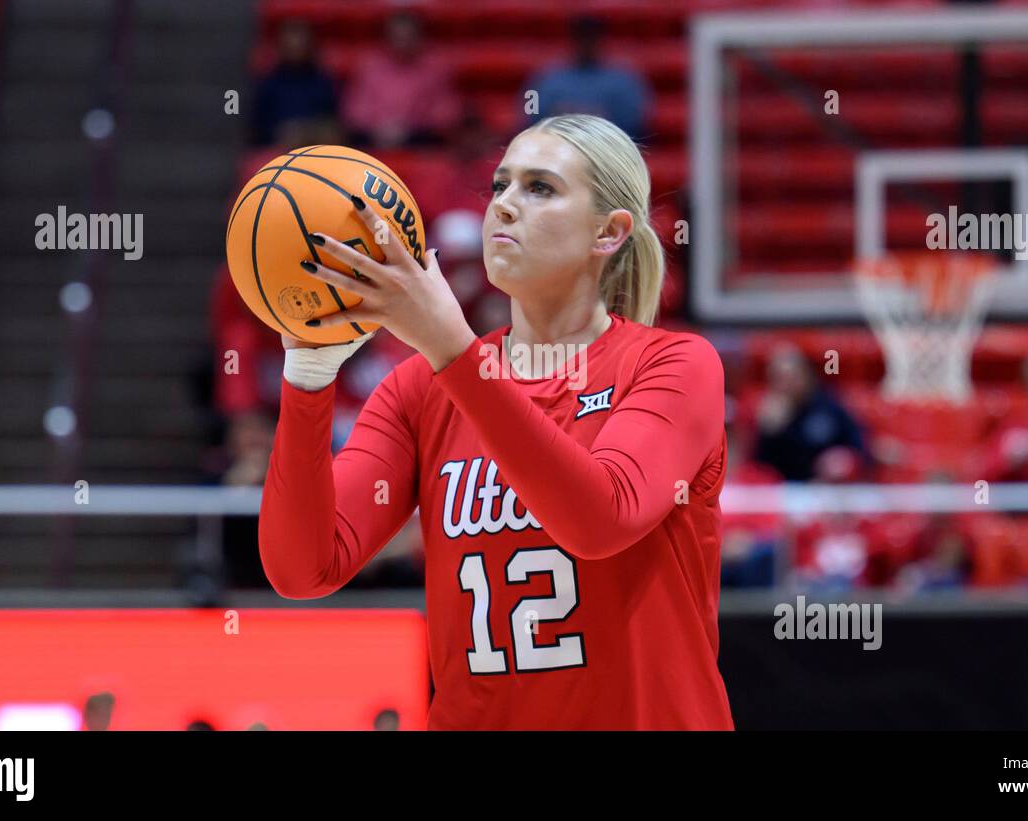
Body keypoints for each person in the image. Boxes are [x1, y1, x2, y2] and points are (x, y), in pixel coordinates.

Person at [259, 114, 733, 730]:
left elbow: (599, 518)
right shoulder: (418, 389)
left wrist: (456, 352)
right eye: (501, 184)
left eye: (539, 188)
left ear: (608, 232)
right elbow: (303, 569)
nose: (504, 205)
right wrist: (307, 382)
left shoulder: (674, 365)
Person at [340, 11, 462, 149]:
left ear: (419, 36)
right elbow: (355, 111)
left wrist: (408, 130)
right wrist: (380, 130)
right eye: (397, 36)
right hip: (374, 140)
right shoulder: (369, 67)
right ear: (387, 37)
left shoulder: (437, 67)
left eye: (408, 36)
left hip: (421, 142)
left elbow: (446, 113)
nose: (403, 41)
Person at [751, 342, 869, 482]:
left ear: (806, 374)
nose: (787, 384)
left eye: (792, 376)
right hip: (786, 491)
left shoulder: (829, 405)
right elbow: (758, 466)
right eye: (780, 378)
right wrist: (769, 433)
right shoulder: (768, 413)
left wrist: (845, 458)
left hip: (830, 488)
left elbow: (860, 446)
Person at [523, 16, 653, 142]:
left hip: (608, 146)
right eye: (582, 38)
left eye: (591, 39)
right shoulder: (547, 77)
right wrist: (554, 117)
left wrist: (596, 118)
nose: (586, 44)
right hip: (556, 143)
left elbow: (635, 119)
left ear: (600, 40)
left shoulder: (624, 80)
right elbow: (529, 108)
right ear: (574, 40)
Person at [251, 18, 341, 147]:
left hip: (317, 141)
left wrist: (309, 130)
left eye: (301, 40)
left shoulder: (323, 81)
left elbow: (334, 119)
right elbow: (258, 126)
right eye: (291, 40)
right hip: (281, 144)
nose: (296, 45)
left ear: (310, 44)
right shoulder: (268, 84)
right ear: (281, 45)